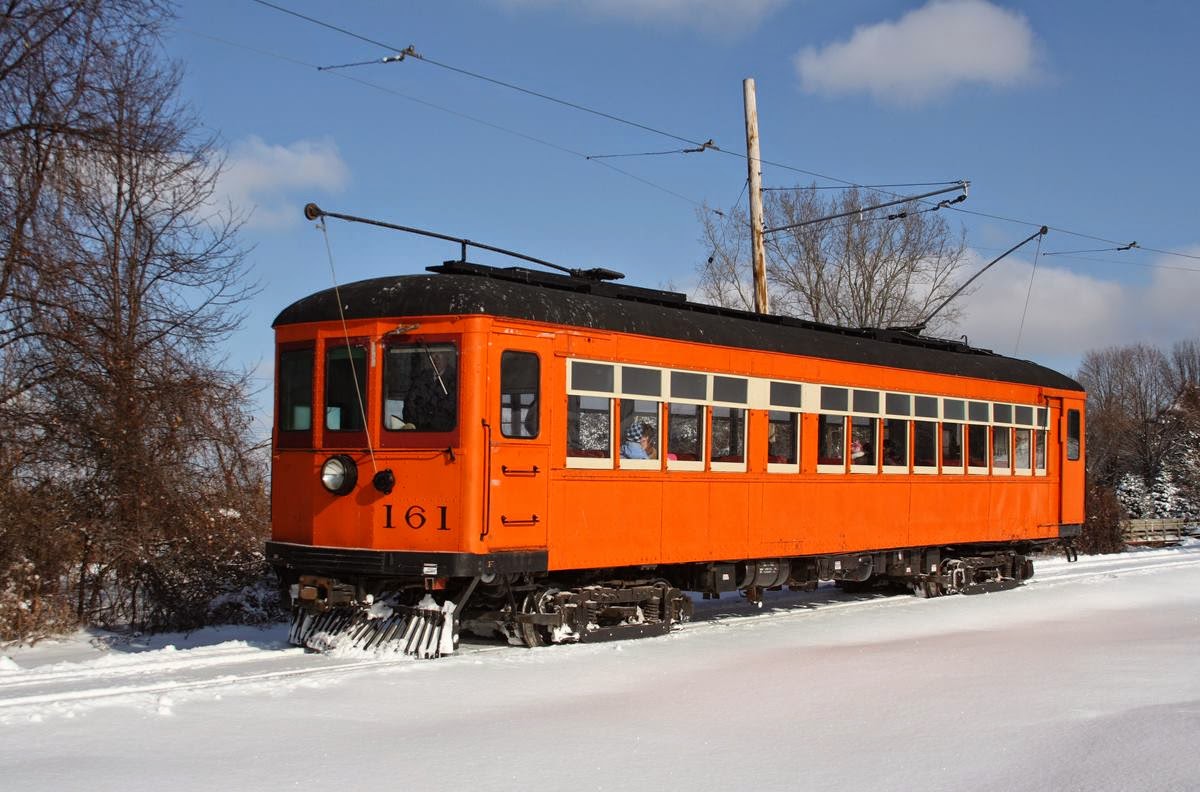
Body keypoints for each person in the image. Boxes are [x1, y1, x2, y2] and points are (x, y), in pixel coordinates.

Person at [403, 348, 457, 431]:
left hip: (444, 432)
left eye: (440, 354)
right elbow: (410, 401)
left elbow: (450, 407)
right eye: (433, 353)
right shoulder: (422, 377)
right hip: (418, 430)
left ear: (447, 357)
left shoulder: (455, 378)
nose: (435, 357)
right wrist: (411, 421)